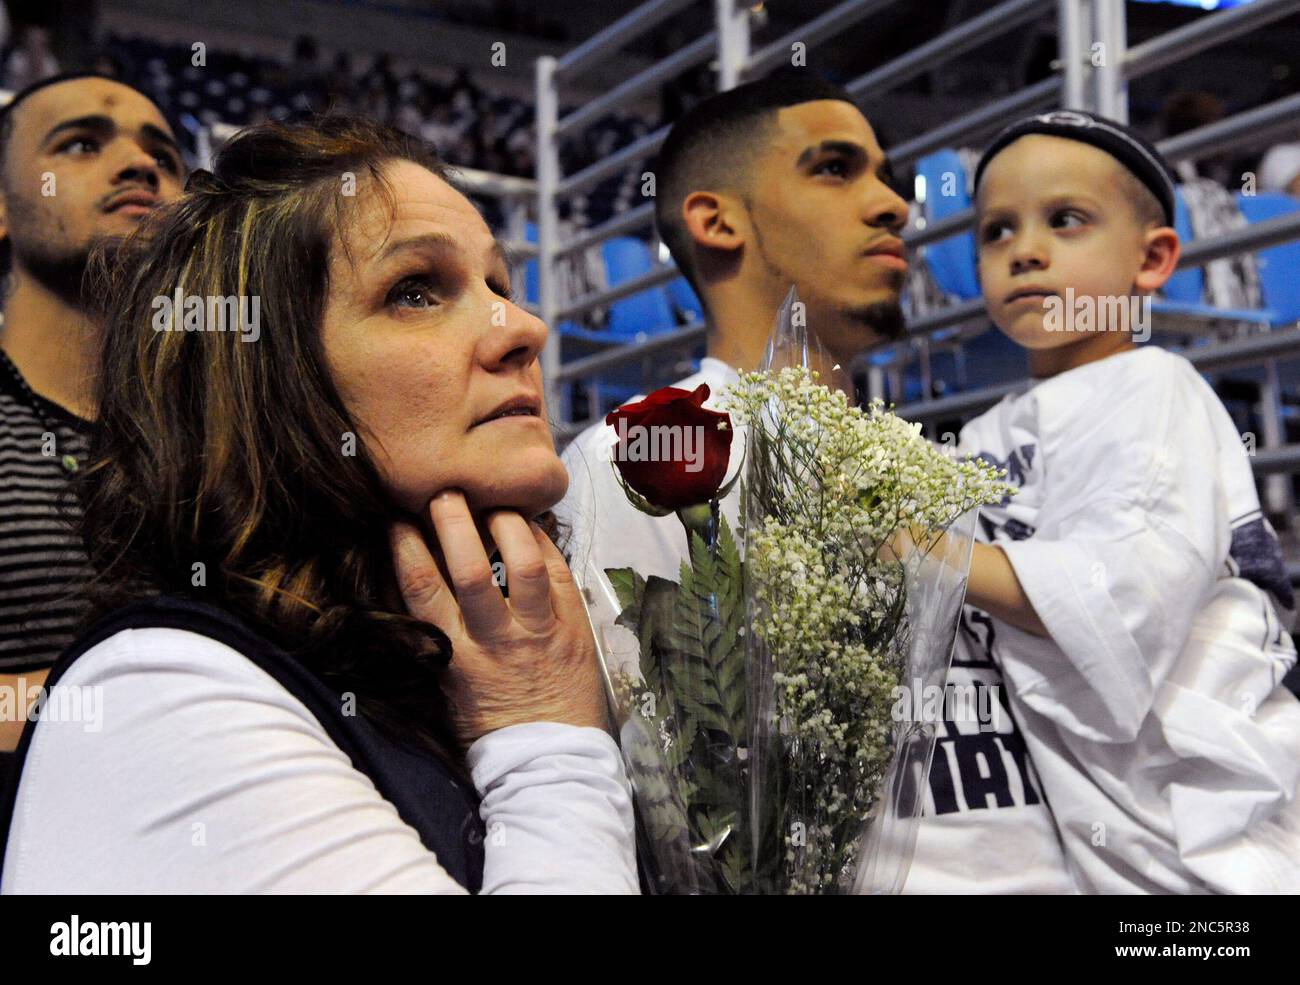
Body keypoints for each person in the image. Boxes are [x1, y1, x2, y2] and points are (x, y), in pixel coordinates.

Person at [0, 117, 637, 893]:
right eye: (415, 291)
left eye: (500, 286)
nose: (526, 329)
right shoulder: (161, 697)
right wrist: (550, 744)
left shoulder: (469, 663)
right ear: (263, 380)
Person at [556, 73, 1079, 893]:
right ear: (715, 219)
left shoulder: (935, 461)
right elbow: (695, 835)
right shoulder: (650, 455)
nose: (894, 206)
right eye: (836, 169)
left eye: (889, 176)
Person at [963, 109, 1300, 892]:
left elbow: (1119, 596)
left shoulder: (1157, 386)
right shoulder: (986, 430)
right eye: (997, 232)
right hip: (1092, 815)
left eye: (1066, 220)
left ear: (1152, 260)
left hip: (1206, 820)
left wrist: (923, 551)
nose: (1026, 252)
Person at [0, 74, 185, 775]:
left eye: (165, 159)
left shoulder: (245, 436)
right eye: (80, 143)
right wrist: (123, 709)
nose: (141, 166)